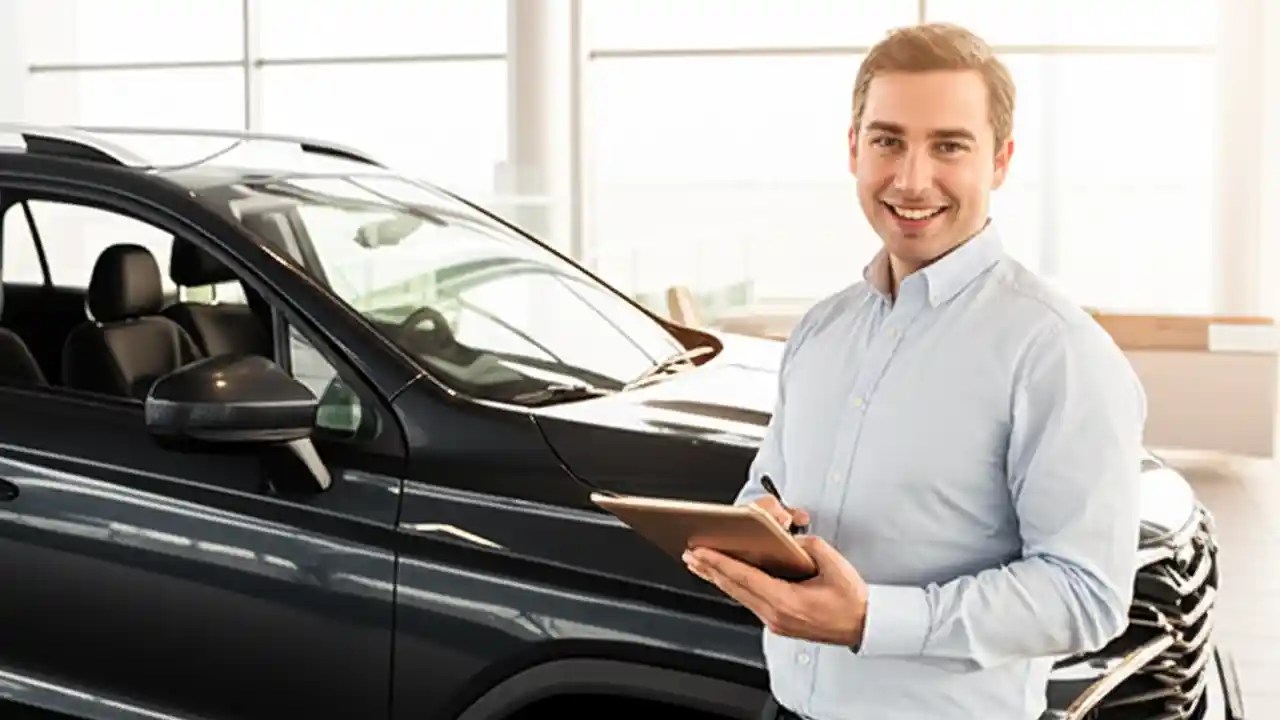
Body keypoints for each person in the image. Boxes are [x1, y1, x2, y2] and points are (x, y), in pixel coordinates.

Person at [681, 22, 1147, 720]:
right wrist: (760, 527)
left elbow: (1088, 595)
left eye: (949, 146)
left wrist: (872, 617)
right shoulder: (822, 330)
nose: (910, 179)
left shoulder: (1057, 352)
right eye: (888, 141)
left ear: (1000, 161)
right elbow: (768, 485)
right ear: (854, 148)